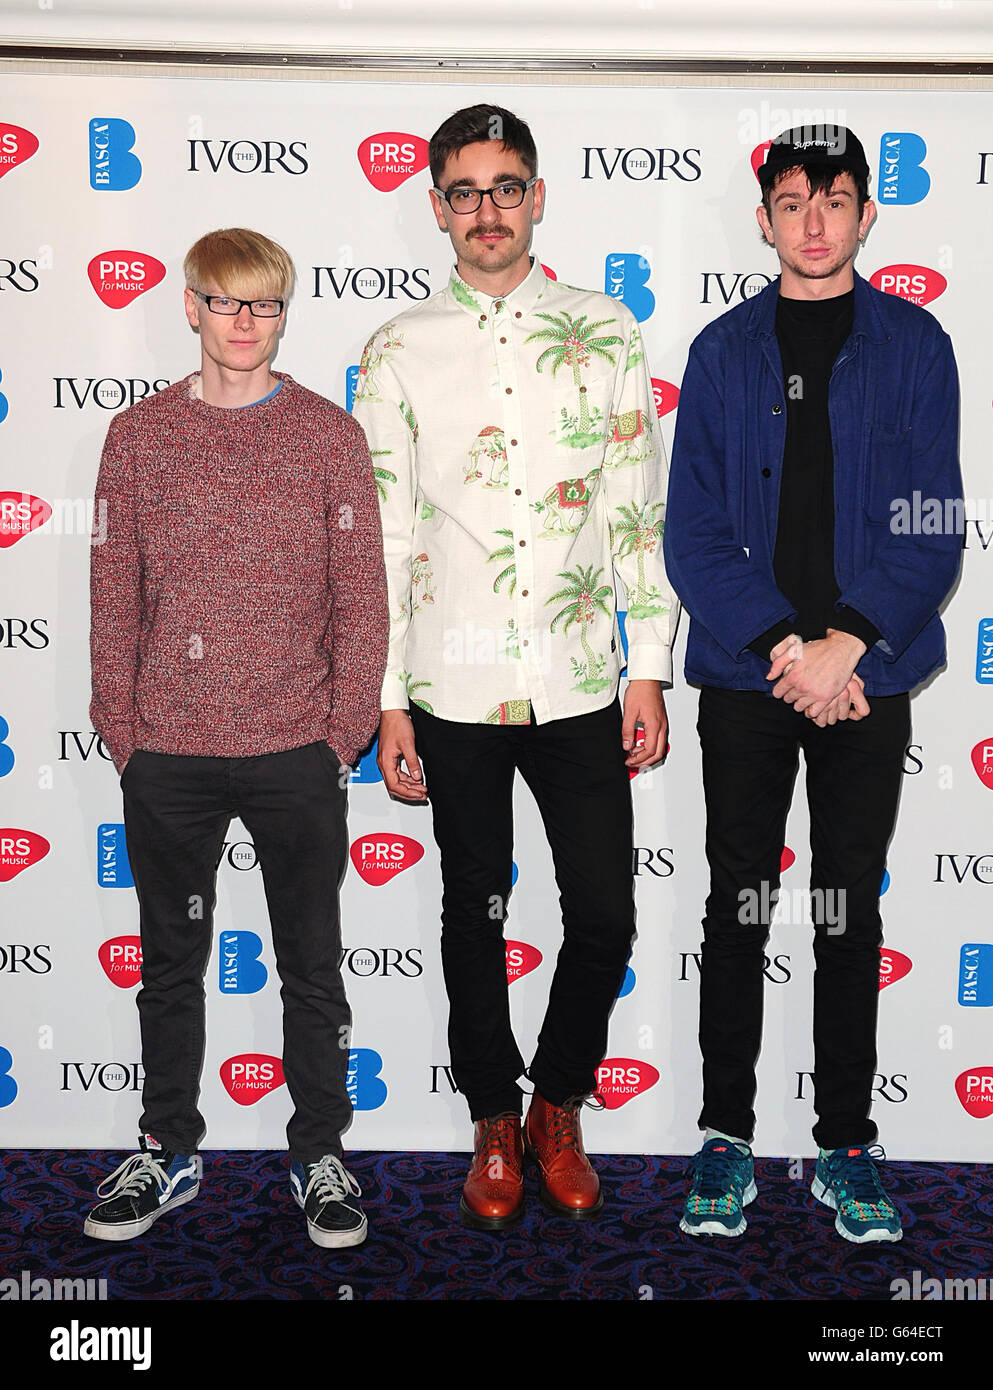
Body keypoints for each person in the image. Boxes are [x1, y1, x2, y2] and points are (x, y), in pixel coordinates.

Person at [353, 104, 677, 1228]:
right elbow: (389, 534)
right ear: (435, 204)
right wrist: (387, 697)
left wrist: (648, 667)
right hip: (450, 684)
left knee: (603, 911)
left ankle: (558, 1101)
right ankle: (493, 1115)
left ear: (538, 195)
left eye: (506, 186)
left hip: (585, 675)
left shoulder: (608, 330)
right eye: (463, 191)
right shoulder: (395, 350)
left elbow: (637, 515)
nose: (486, 210)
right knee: (472, 909)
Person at [664, 127, 962, 1243]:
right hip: (753, 674)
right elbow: (690, 532)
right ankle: (725, 1137)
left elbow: (932, 525)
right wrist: (791, 647)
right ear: (764, 219)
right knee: (737, 904)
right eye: (792, 202)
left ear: (865, 212)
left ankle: (846, 1142)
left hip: (868, 678)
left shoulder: (917, 344)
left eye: (834, 199)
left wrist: (848, 647)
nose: (814, 221)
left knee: (849, 905)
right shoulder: (722, 350)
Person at [86, 227, 388, 1248]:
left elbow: (364, 603)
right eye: (226, 303)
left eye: (264, 304)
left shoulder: (327, 436)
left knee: (313, 963)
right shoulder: (135, 437)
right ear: (191, 307)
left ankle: (319, 1154)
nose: (245, 322)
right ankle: (167, 1148)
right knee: (170, 961)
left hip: (297, 749)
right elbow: (110, 596)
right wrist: (123, 733)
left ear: (283, 314)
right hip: (167, 752)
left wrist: (341, 734)